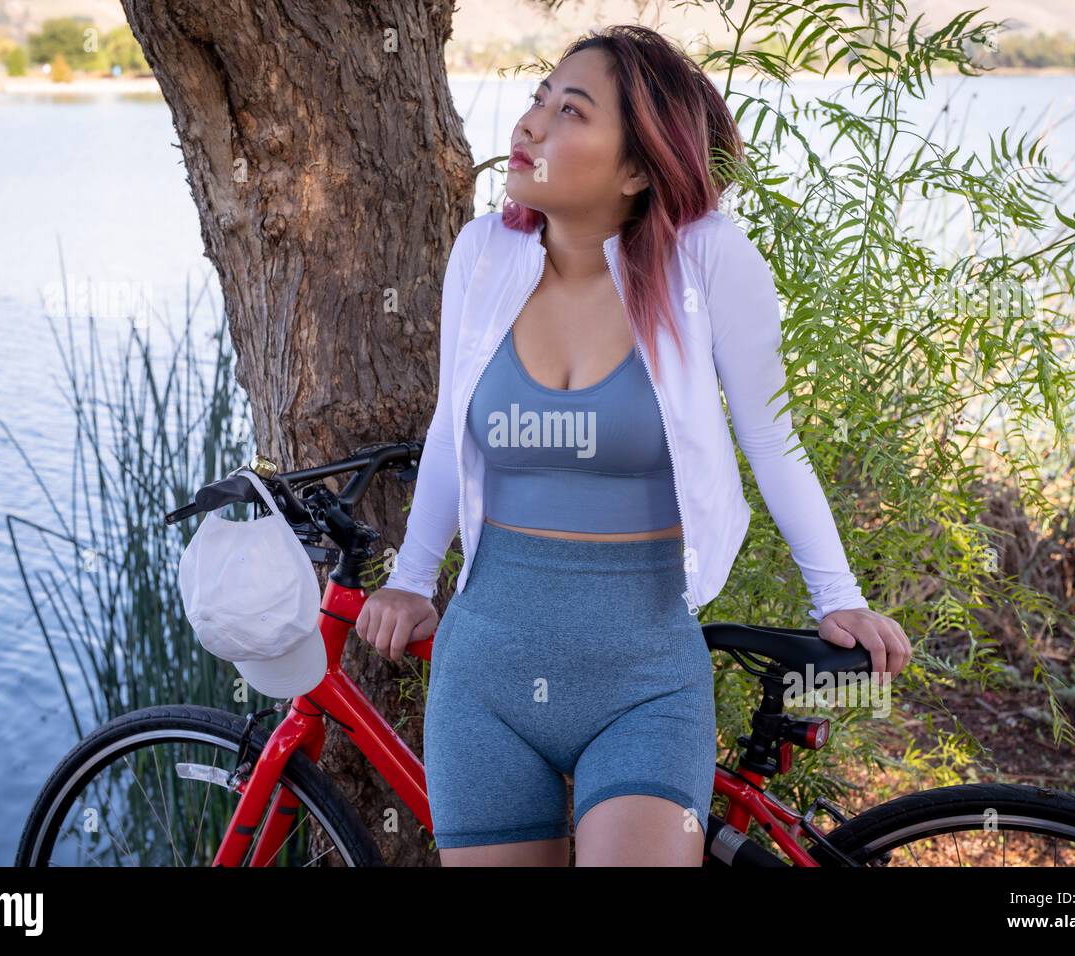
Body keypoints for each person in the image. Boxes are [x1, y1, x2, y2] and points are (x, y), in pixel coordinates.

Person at [356, 24, 910, 867]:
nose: (532, 123)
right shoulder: (481, 256)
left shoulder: (709, 262)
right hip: (485, 676)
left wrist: (836, 594)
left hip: (645, 679)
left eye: (570, 110)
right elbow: (448, 423)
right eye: (540, 97)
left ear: (640, 165)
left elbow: (772, 435)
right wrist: (407, 580)